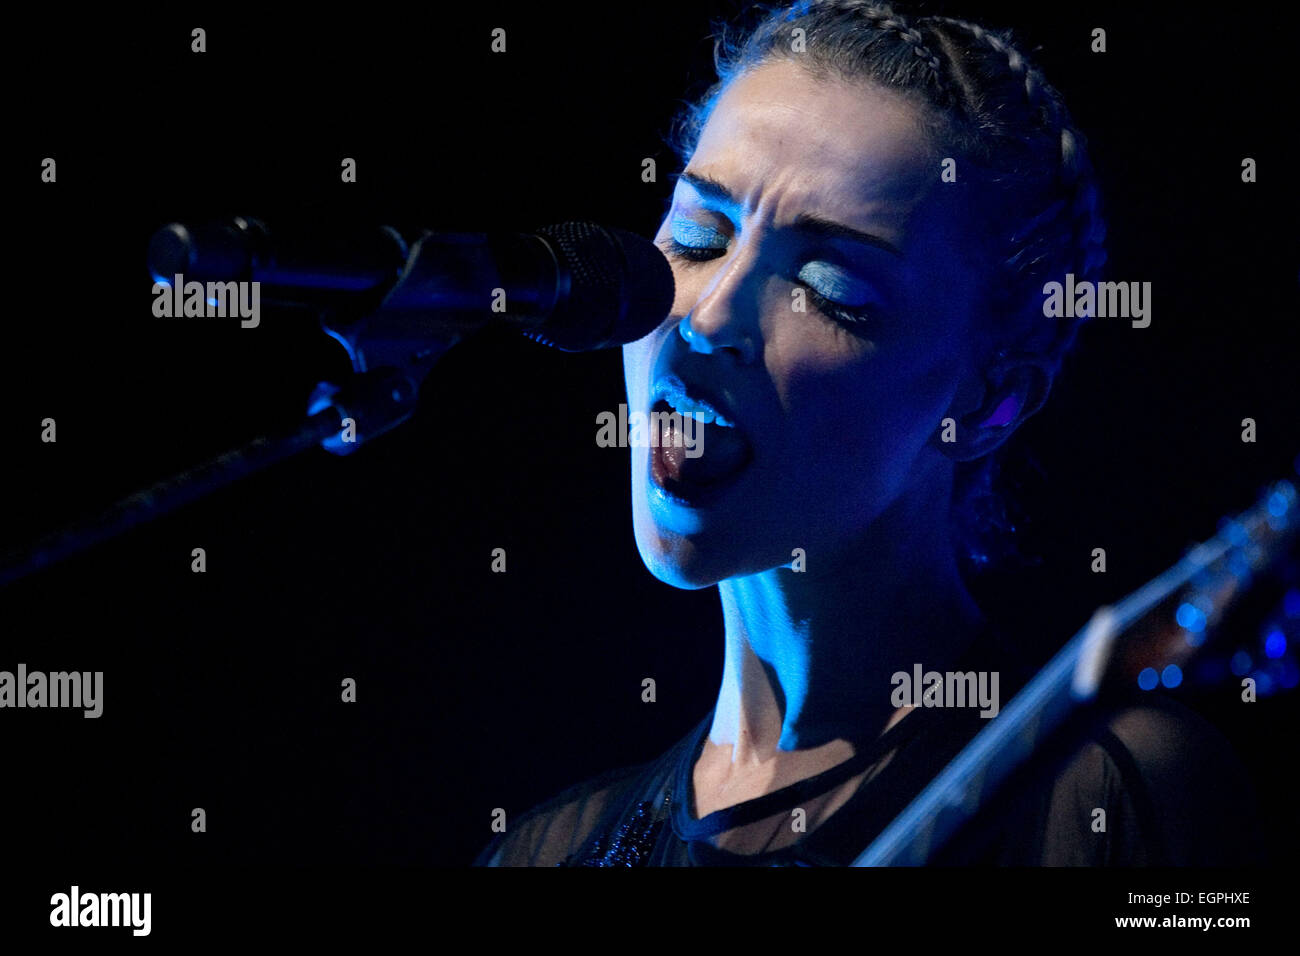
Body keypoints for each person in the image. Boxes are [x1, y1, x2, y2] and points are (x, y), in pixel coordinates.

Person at [475, 0, 1258, 866]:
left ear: (991, 399)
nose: (711, 318)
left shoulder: (1106, 790)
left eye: (826, 287)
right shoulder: (546, 851)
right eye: (700, 237)